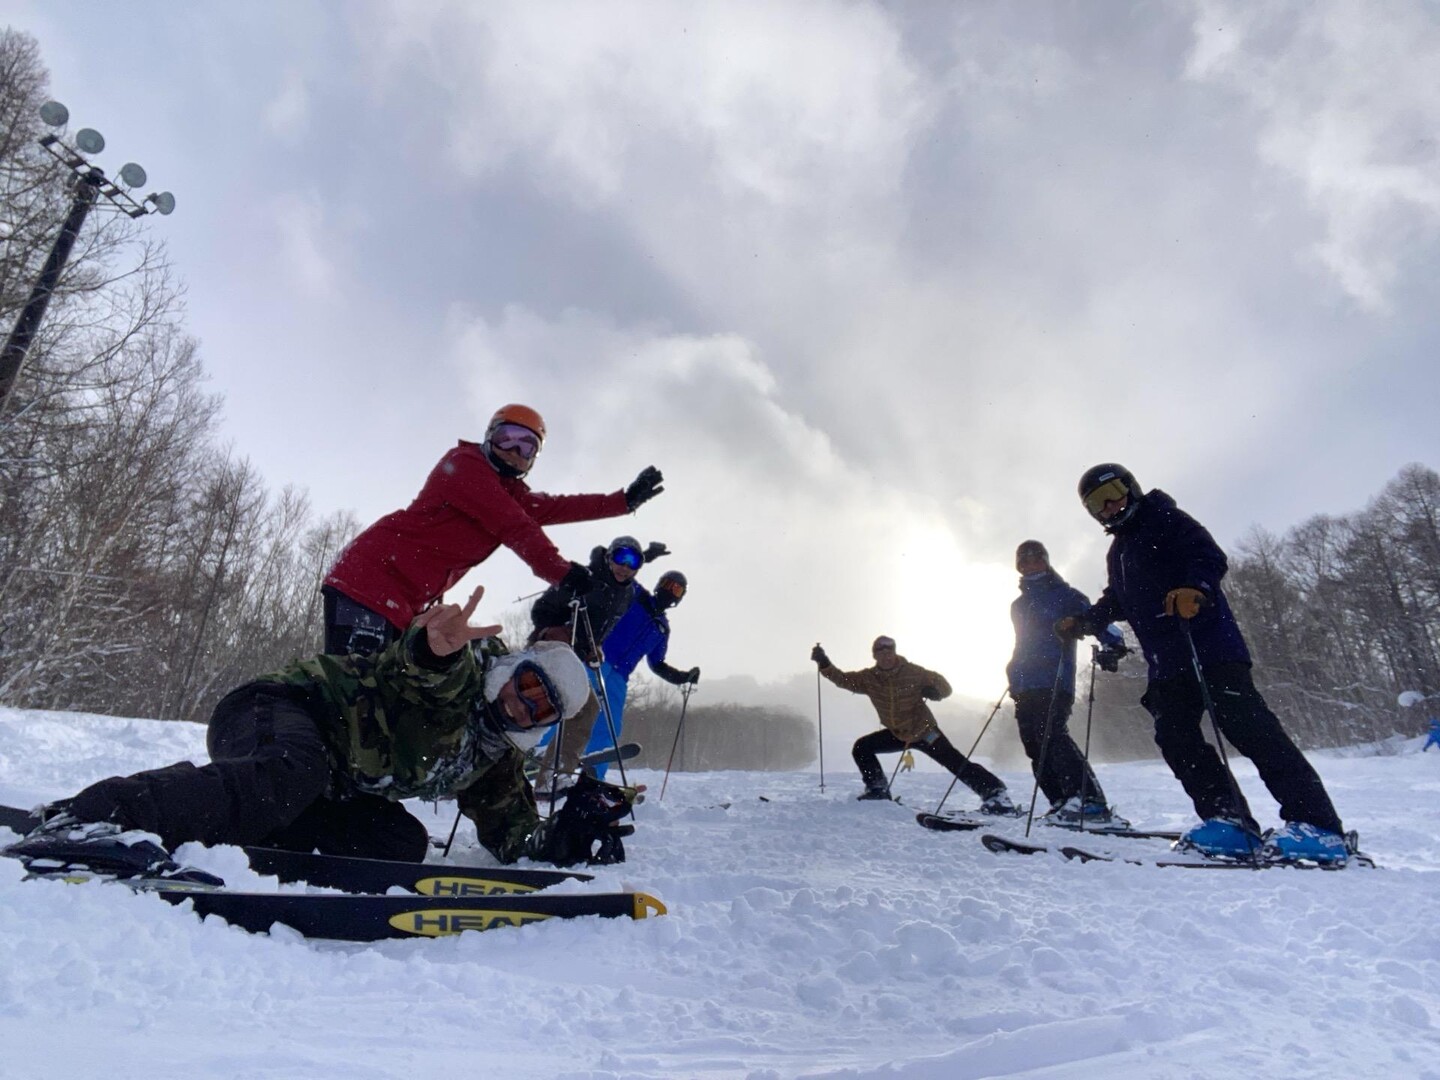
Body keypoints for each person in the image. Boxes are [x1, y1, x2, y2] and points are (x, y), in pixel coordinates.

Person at [8, 587, 639, 879]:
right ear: (513, 667)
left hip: (319, 782)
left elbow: (513, 837)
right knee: (291, 773)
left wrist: (565, 838)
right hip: (276, 710)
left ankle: (244, 844)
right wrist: (434, 643)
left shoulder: (495, 759)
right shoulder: (466, 672)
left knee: (398, 842)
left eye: (539, 710)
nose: (521, 706)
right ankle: (99, 816)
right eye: (526, 685)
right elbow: (420, 668)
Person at [1056, 464, 1349, 863]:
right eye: (1096, 504)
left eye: (1114, 493)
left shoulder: (1163, 517)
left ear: (1132, 487)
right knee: (1175, 737)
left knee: (1248, 728)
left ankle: (1319, 826)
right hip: (1167, 663)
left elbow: (1207, 556)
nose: (1109, 506)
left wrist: (1195, 587)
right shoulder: (1119, 550)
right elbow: (1118, 598)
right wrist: (1087, 620)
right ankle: (1229, 821)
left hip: (1208, 646)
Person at [321, 403, 664, 655]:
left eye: (527, 447)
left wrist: (624, 501)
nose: (516, 452)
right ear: (489, 437)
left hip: (405, 602)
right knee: (357, 693)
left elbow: (556, 506)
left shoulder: (509, 492)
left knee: (386, 695)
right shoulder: (463, 466)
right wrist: (560, 572)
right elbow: (513, 526)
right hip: (371, 582)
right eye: (507, 438)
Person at [538, 569, 699, 786]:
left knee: (609, 726)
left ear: (680, 598)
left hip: (619, 678)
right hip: (597, 660)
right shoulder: (636, 596)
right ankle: (541, 750)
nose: (670, 591)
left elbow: (657, 664)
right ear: (659, 584)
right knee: (573, 707)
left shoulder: (661, 628)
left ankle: (594, 774)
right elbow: (616, 578)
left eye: (677, 589)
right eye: (667, 584)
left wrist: (683, 677)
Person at [812, 636, 1014, 808]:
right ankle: (877, 789)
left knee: (954, 761)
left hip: (924, 731)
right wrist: (824, 663)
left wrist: (936, 692)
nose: (886, 655)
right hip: (897, 733)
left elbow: (945, 686)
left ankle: (995, 793)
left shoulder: (914, 672)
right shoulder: (869, 678)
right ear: (875, 656)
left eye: (889, 651)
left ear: (895, 652)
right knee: (862, 747)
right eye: (881, 652)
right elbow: (844, 680)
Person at [1007, 539, 1127, 826]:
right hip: (1025, 683)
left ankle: (1089, 802)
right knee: (1033, 744)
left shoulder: (1065, 595)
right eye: (1025, 561)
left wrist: (1114, 644)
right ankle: (1062, 801)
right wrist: (1012, 672)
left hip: (1055, 677)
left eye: (1037, 559)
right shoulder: (1018, 605)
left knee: (1051, 733)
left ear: (1047, 562)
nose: (1031, 565)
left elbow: (1097, 619)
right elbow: (1022, 642)